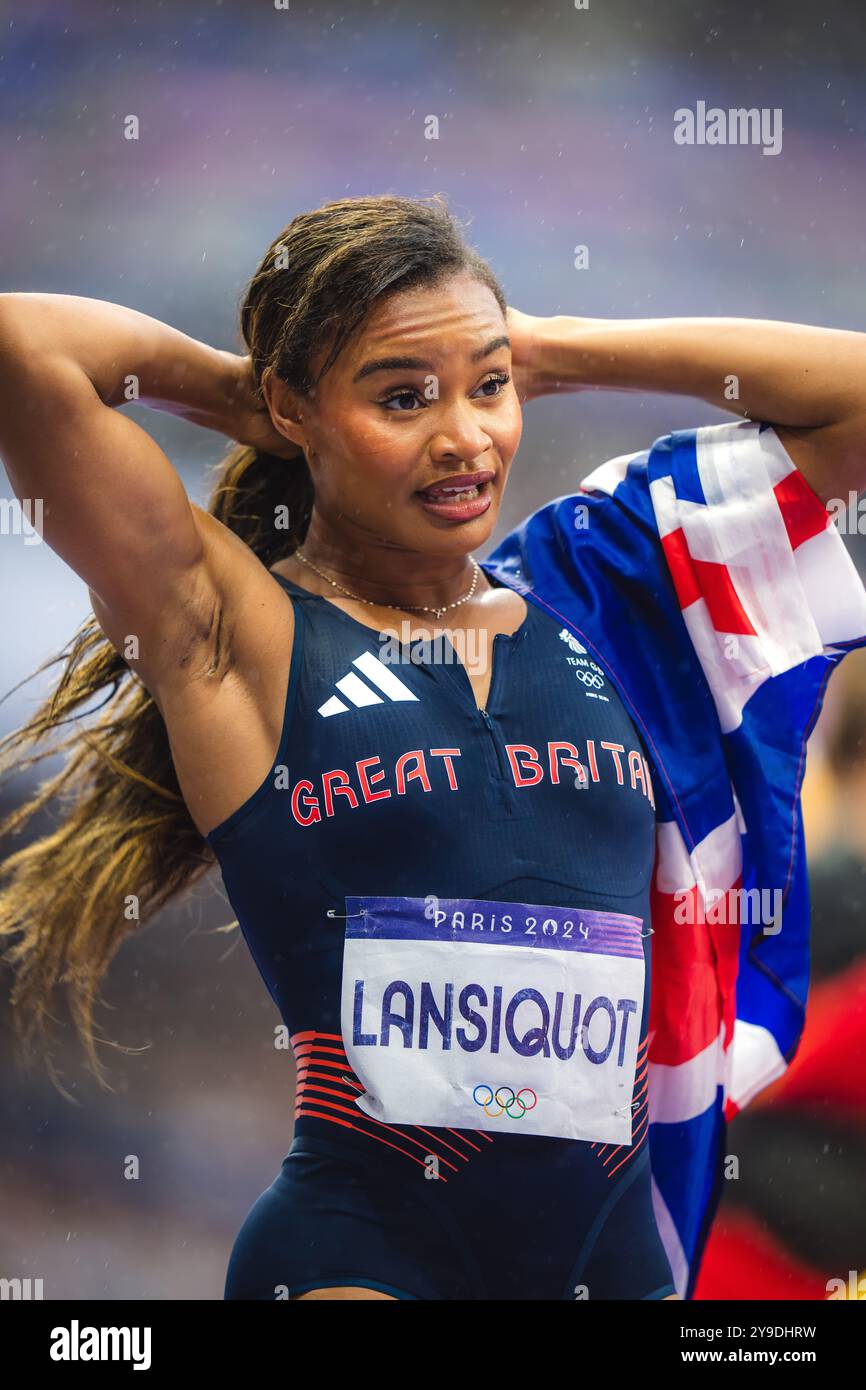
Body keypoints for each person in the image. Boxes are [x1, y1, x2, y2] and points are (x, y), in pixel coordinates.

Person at [1, 193, 865, 1300]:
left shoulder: (601, 600)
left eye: (488, 390)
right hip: (362, 1260)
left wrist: (541, 347)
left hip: (615, 1267)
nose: (464, 437)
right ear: (292, 407)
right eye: (402, 397)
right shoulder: (233, 633)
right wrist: (234, 393)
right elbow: (27, 348)